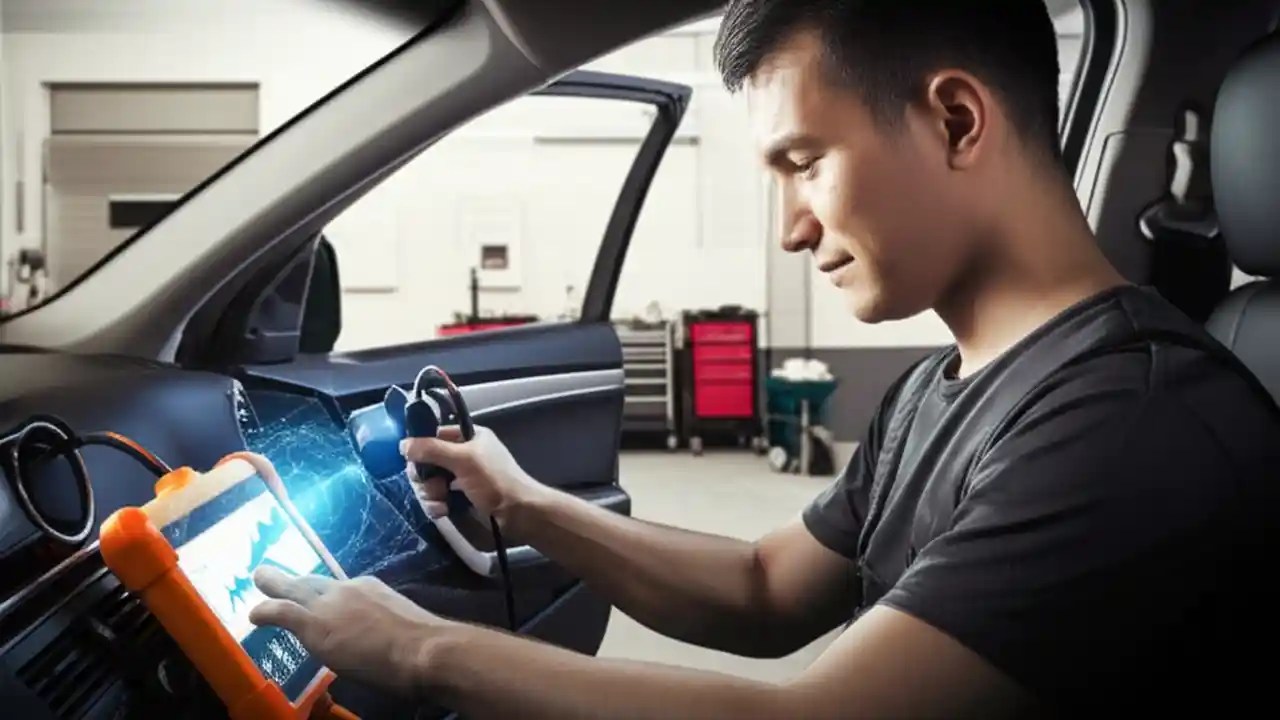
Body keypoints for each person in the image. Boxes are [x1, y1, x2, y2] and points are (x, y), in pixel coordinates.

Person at [250, 1, 1280, 716]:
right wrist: (523, 503)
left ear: (956, 120)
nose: (790, 228)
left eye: (804, 163)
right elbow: (761, 589)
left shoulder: (1129, 420)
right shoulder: (946, 385)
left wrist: (423, 650)